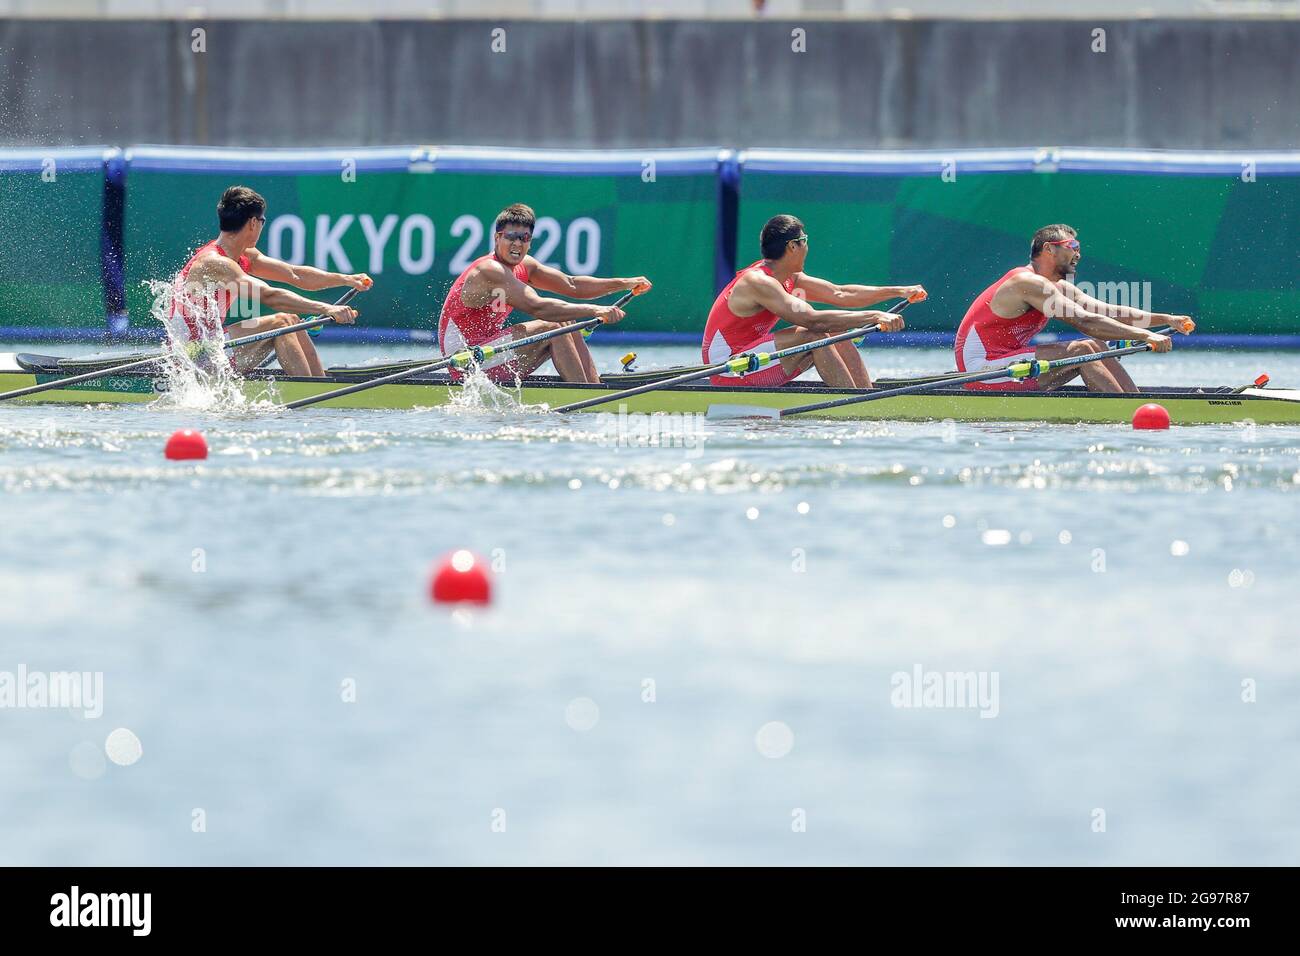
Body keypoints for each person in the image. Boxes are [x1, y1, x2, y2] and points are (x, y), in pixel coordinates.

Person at [954, 223, 1195, 392]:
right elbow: (1085, 322)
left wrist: (1167, 319)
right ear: (1048, 249)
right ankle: (1126, 415)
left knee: (1095, 347)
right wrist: (1145, 335)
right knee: (1082, 349)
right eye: (1073, 245)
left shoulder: (1056, 286)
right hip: (982, 368)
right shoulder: (1026, 282)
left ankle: (1136, 406)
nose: (1078, 253)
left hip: (1006, 361)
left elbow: (1107, 312)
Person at [701, 214, 922, 388]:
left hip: (754, 360)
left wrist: (900, 291)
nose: (807, 247)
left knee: (836, 330)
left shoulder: (787, 276)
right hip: (727, 368)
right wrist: (875, 316)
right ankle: (852, 407)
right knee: (815, 333)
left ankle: (865, 396)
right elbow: (811, 321)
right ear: (792, 246)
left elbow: (840, 293)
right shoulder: (758, 282)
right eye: (804, 240)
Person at [438, 203, 649, 383]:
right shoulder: (489, 270)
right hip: (464, 360)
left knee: (567, 321)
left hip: (489, 350)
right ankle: (585, 397)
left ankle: (593, 387)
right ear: (497, 238)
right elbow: (537, 307)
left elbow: (572, 285)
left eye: (524, 237)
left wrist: (625, 283)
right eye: (511, 236)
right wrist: (596, 310)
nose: (517, 243)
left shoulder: (525, 265)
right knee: (552, 326)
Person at [170, 185, 369, 376]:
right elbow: (268, 295)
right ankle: (307, 392)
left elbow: (295, 274)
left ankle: (320, 385)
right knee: (281, 322)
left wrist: (346, 279)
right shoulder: (214, 262)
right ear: (253, 223)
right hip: (191, 358)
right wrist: (327, 309)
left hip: (211, 345)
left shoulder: (244, 255)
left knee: (292, 320)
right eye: (263, 221)